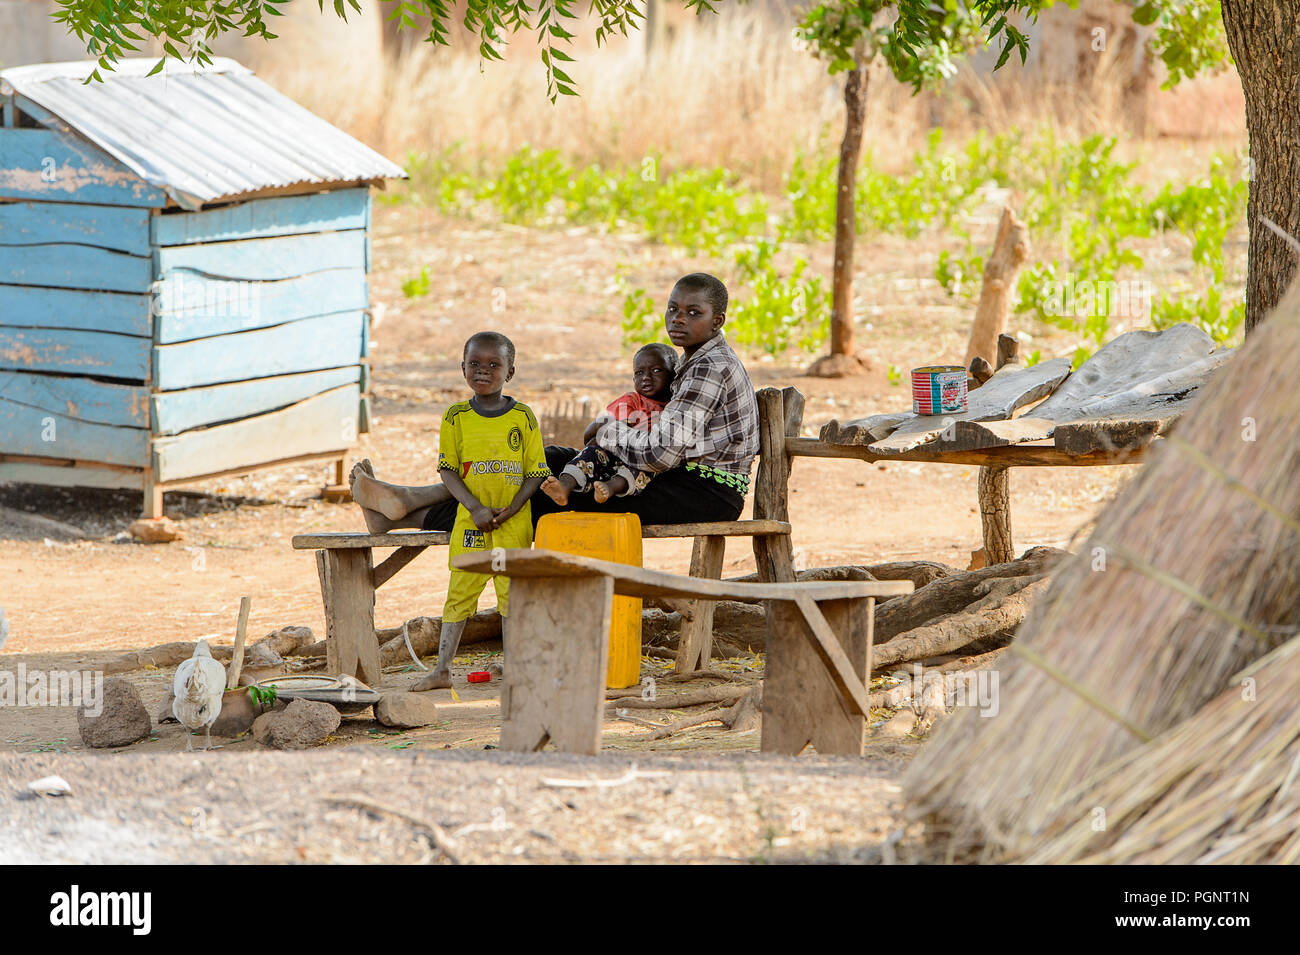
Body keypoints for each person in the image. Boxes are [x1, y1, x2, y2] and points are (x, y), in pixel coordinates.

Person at [351, 270, 758, 538]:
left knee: (542, 496)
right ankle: (410, 498)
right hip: (676, 478)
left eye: (693, 313)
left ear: (717, 321)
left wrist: (608, 433)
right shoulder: (694, 359)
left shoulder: (710, 367)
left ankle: (409, 516)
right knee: (542, 459)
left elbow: (661, 454)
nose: (679, 319)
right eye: (673, 308)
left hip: (703, 492)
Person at [404, 331, 549, 691]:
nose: (482, 371)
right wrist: (476, 508)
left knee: (513, 595)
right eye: (474, 364)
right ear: (462, 368)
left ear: (510, 372)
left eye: (494, 365)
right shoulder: (455, 417)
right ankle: (441, 670)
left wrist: (514, 509)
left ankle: (515, 670)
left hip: (514, 525)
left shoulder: (524, 417)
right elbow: (447, 470)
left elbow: (535, 472)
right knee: (460, 594)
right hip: (472, 524)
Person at [541, 342, 676, 505]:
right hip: (613, 453)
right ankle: (564, 485)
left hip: (645, 461)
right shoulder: (632, 401)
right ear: (633, 378)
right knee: (589, 455)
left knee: (647, 468)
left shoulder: (675, 407)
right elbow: (601, 429)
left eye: (656, 370)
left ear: (674, 374)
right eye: (639, 373)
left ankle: (610, 488)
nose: (646, 377)